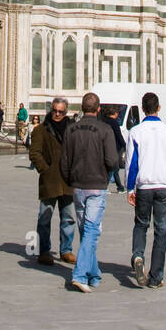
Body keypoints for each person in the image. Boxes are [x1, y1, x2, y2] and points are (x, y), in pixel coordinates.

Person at [59, 92, 118, 292]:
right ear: (98, 108)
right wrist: (106, 175)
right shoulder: (105, 129)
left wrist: (70, 180)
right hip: (96, 186)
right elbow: (112, 161)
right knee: (92, 230)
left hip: (77, 186)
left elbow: (64, 160)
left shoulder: (71, 129)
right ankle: (80, 275)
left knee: (86, 231)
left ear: (82, 108)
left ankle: (94, 274)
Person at [125, 92, 166, 288]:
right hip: (163, 187)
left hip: (144, 186)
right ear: (159, 108)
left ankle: (138, 255)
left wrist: (129, 188)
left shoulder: (136, 131)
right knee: (162, 230)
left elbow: (131, 163)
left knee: (141, 224)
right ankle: (156, 276)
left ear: (142, 109)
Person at [29, 96, 76, 268]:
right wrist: (45, 169)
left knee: (69, 218)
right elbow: (34, 153)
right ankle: (44, 251)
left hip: (68, 181)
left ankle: (66, 250)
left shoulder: (72, 129)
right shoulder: (41, 130)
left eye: (61, 112)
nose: (57, 114)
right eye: (55, 111)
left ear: (66, 112)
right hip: (50, 180)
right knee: (44, 217)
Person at [103, 107, 126, 192]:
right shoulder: (114, 123)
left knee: (113, 169)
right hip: (114, 147)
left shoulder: (103, 121)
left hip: (104, 146)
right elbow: (118, 135)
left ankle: (120, 187)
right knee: (114, 168)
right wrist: (125, 145)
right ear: (115, 113)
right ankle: (106, 187)